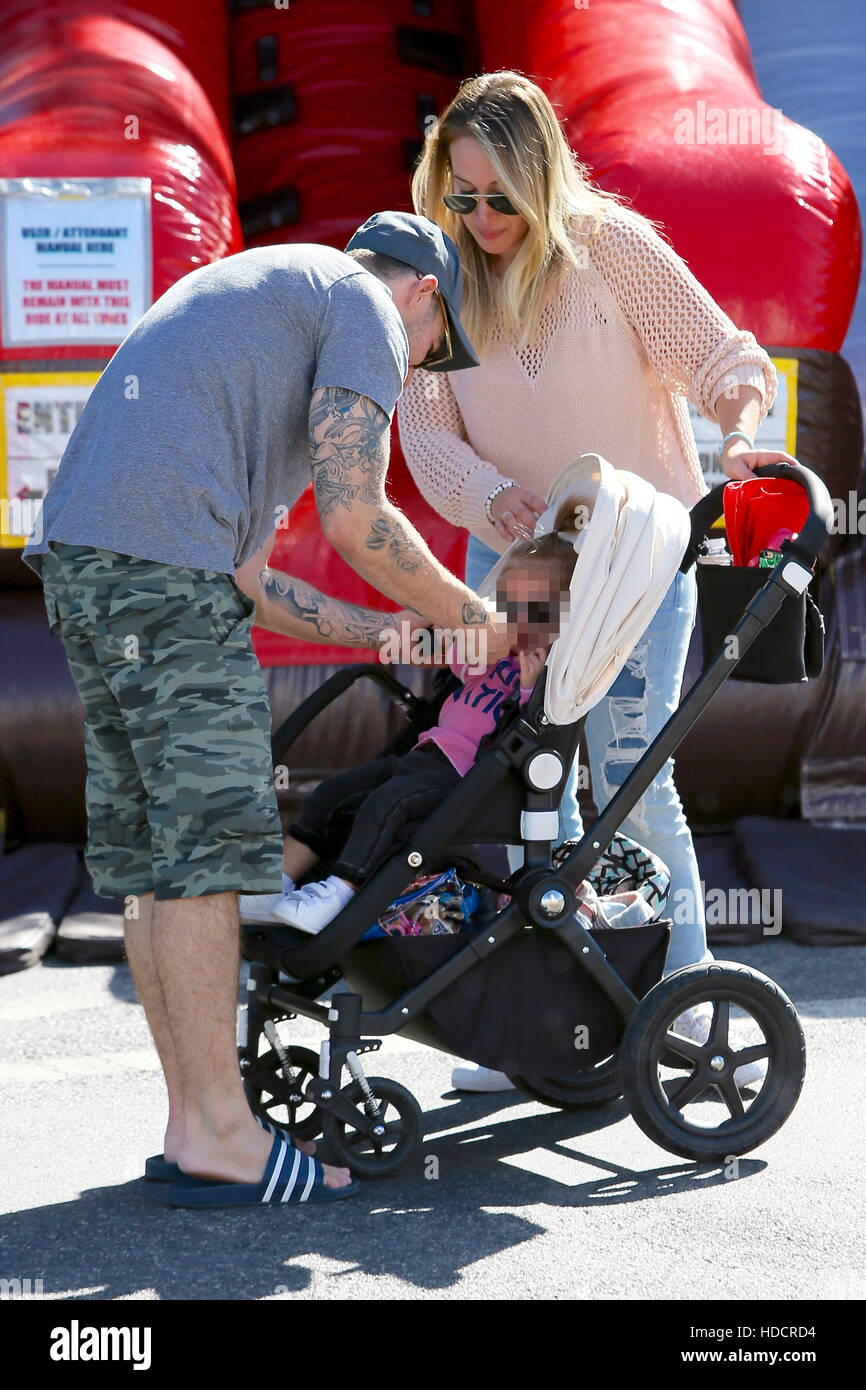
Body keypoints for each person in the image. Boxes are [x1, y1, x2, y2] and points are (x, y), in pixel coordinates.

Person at [22, 210, 511, 1207]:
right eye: (431, 349)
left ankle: (193, 1121)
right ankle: (223, 1137)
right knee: (206, 855)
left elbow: (248, 581)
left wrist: (384, 633)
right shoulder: (364, 308)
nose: (415, 371)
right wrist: (476, 619)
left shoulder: (258, 304)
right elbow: (358, 515)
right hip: (161, 577)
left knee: (160, 863)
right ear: (421, 292)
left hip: (86, 569)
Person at [397, 71, 794, 1092]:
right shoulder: (437, 281)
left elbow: (720, 357)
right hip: (518, 559)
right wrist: (505, 508)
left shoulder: (610, 251)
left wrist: (739, 435)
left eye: (499, 198)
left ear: (542, 186)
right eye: (459, 194)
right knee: (525, 783)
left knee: (626, 775)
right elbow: (430, 446)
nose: (478, 218)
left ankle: (689, 1005)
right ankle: (542, 1012)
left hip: (634, 552)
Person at [265, 521, 575, 935]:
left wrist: (532, 686)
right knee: (332, 794)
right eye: (508, 603)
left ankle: (338, 892)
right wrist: (471, 630)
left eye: (531, 608)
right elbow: (459, 660)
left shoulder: (549, 675)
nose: (516, 618)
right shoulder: (492, 649)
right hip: (426, 753)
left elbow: (539, 731)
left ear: (561, 617)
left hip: (466, 777)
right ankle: (275, 887)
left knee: (386, 806)